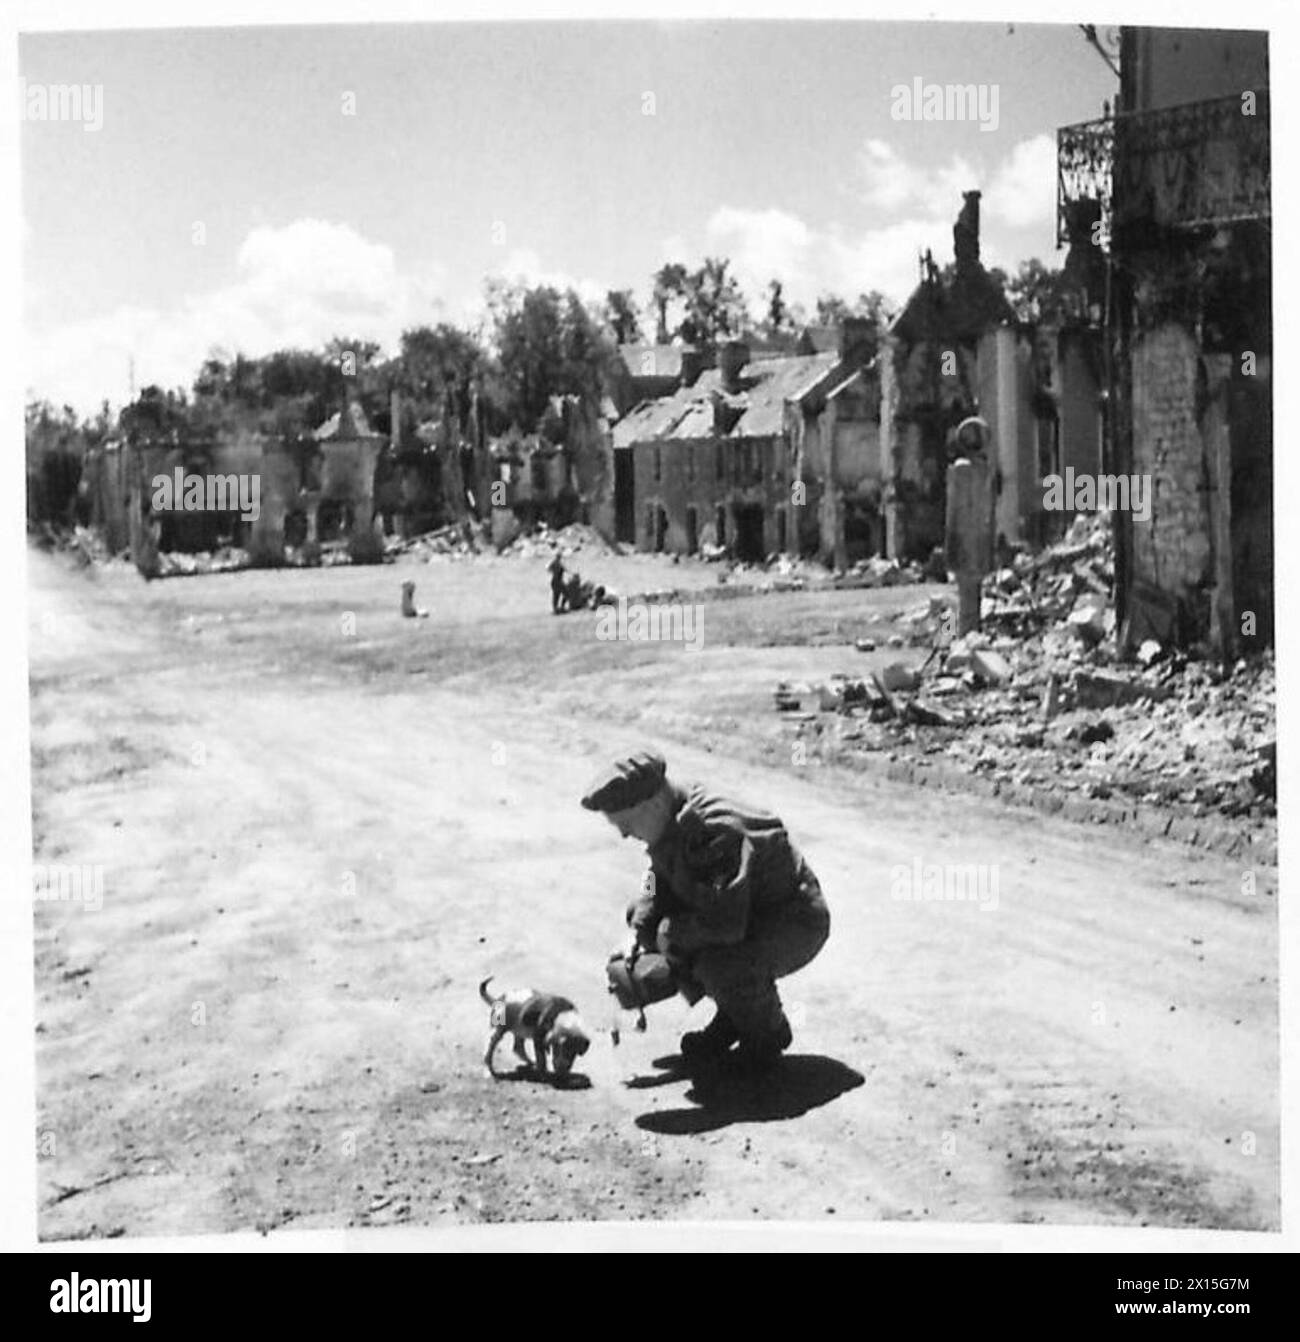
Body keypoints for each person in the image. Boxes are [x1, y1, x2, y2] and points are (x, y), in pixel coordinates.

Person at [582, 750, 830, 1073]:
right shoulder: (671, 815)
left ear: (653, 805)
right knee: (645, 920)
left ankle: (767, 1036)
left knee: (714, 962)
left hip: (793, 923)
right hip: (747, 912)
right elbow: (655, 875)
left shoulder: (711, 833)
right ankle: (734, 1017)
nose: (624, 835)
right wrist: (637, 932)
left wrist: (667, 937)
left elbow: (725, 927)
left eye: (626, 824)